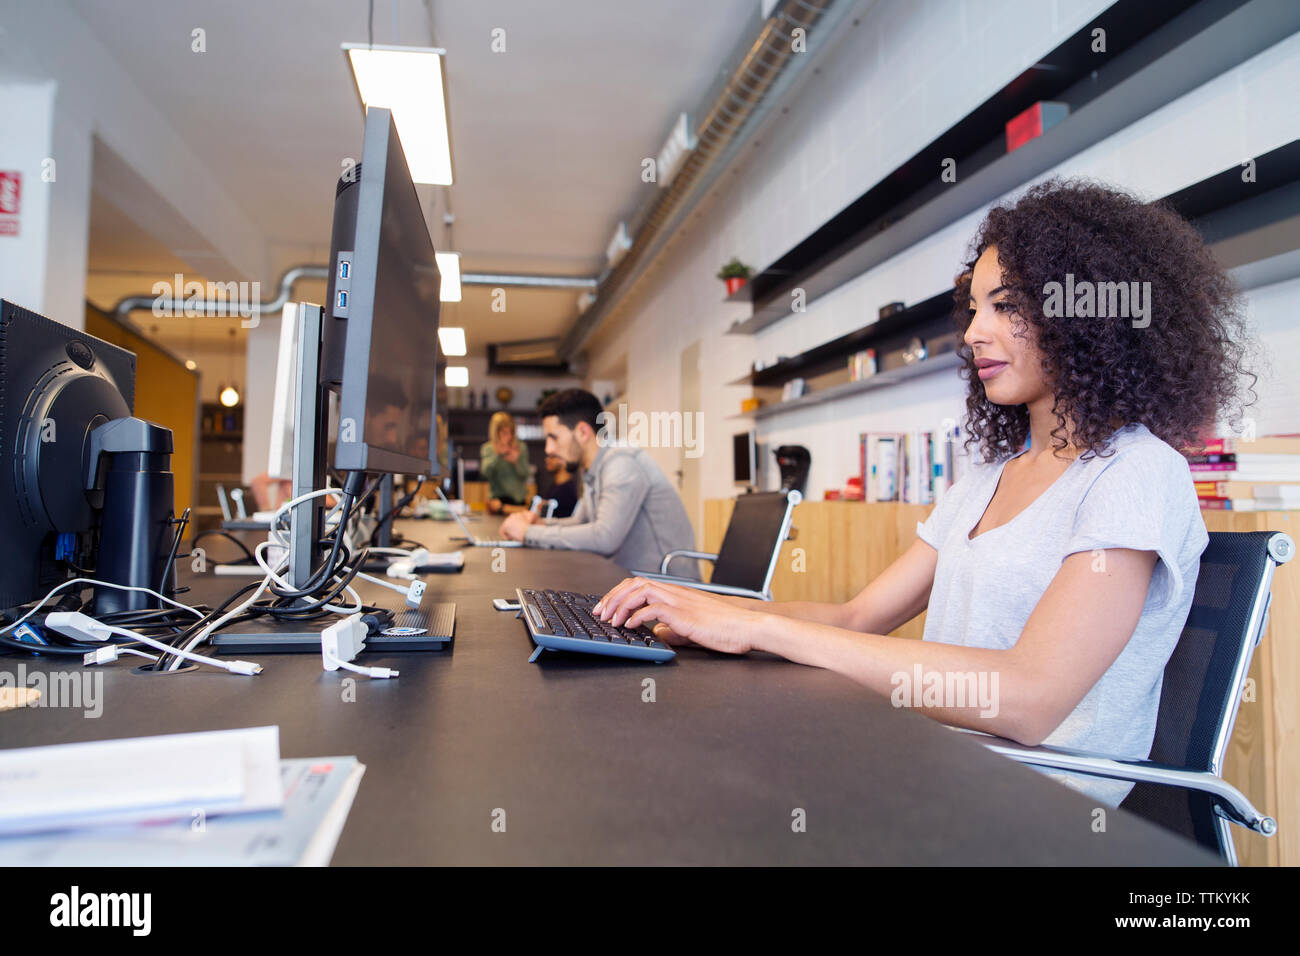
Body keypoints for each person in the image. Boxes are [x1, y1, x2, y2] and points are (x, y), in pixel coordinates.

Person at [593, 179, 1255, 807]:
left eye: (1007, 306)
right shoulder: (988, 479)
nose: (973, 334)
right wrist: (704, 612)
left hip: (1033, 811)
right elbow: (857, 620)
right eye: (974, 309)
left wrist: (759, 627)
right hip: (932, 770)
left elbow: (1030, 696)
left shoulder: (1138, 472)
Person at [499, 389, 699, 578]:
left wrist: (529, 533)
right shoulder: (595, 468)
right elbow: (581, 522)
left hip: (668, 589)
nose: (548, 449)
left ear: (583, 432)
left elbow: (605, 538)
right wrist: (540, 523)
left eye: (554, 437)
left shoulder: (621, 464)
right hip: (631, 583)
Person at [480, 411, 530, 514]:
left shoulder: (520, 447)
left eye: (511, 432)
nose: (509, 437)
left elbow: (525, 474)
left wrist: (516, 462)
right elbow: (485, 473)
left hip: (518, 501)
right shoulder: (489, 448)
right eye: (504, 433)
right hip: (497, 502)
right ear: (496, 432)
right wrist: (497, 455)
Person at [539, 453, 578, 518]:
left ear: (565, 459)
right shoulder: (554, 486)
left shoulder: (568, 491)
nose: (547, 460)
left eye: (552, 457)